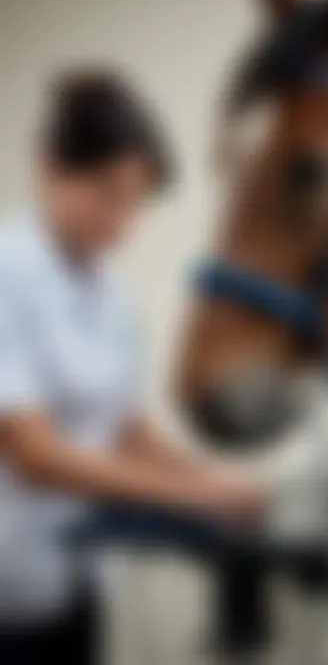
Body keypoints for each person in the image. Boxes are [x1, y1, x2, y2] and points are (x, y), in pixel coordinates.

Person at [0, 69, 265, 664]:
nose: (122, 221)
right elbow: (32, 455)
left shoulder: (110, 285)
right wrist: (191, 497)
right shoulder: (5, 273)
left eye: (136, 201)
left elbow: (127, 430)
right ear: (48, 168)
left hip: (76, 577)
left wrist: (212, 482)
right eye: (106, 193)